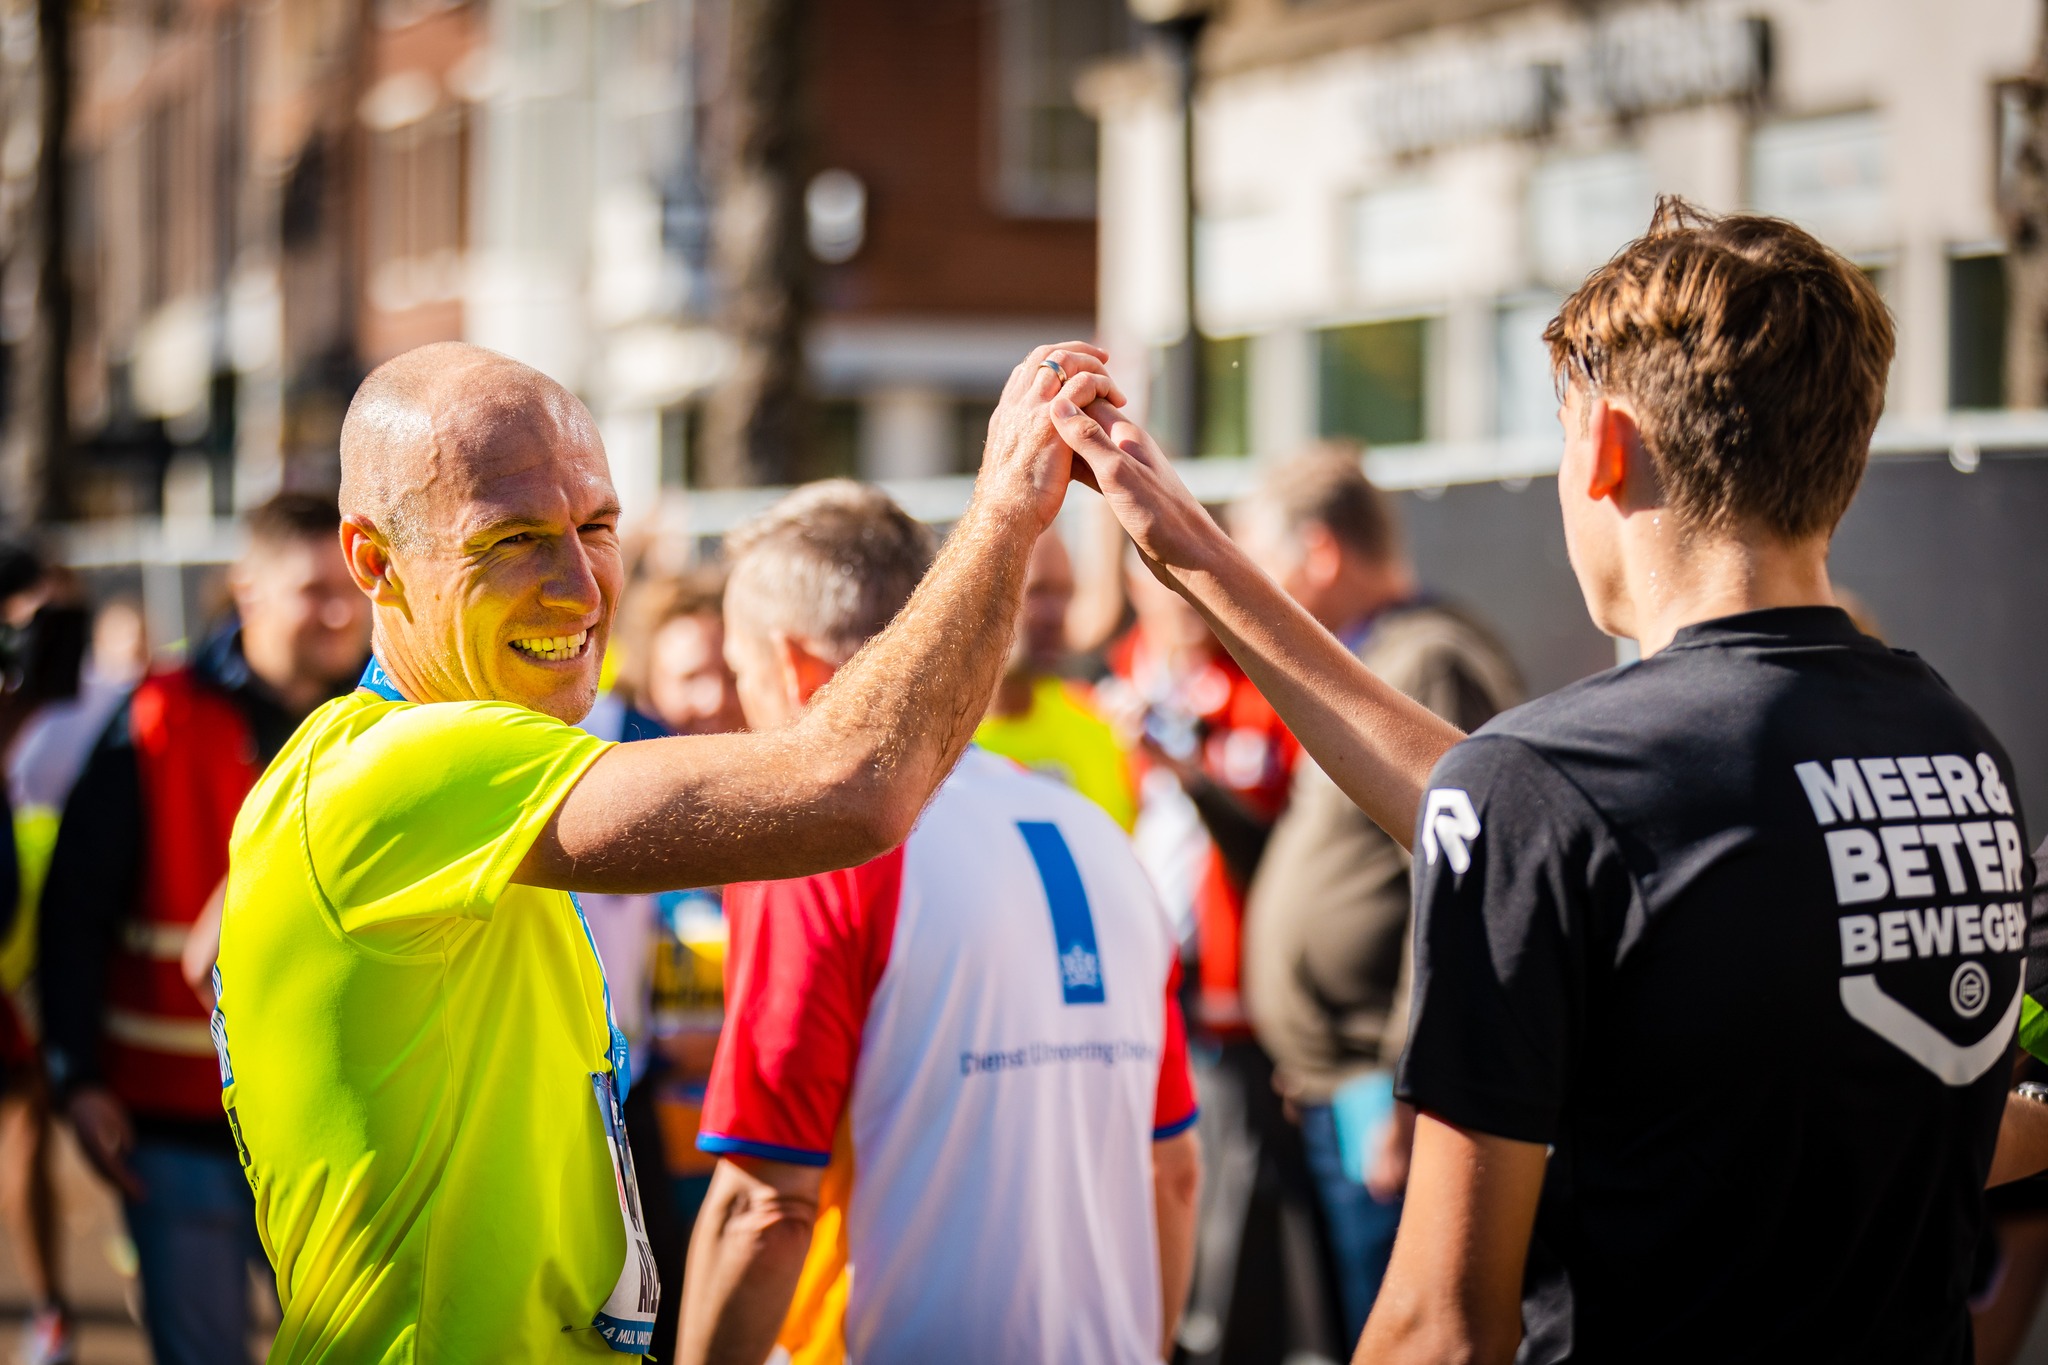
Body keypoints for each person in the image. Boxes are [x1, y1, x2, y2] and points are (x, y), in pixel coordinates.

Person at [1051, 198, 2034, 1363]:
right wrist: (1198, 557)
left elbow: (1437, 1327)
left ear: (1603, 444)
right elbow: (1574, 838)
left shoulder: (1555, 793)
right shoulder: (1952, 748)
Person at [211, 338, 1107, 1361]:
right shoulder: (406, 769)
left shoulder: (416, 775)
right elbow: (848, 786)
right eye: (510, 540)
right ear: (374, 561)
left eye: (596, 527)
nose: (580, 588)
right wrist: (1001, 516)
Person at [675, 481, 1199, 1365]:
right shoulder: (1097, 834)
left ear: (794, 668)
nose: (734, 703)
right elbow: (1174, 1173)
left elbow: (765, 1207)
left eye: (739, 672)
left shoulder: (816, 853)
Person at [38, 493, 370, 1365]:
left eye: (351, 587)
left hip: (347, 1122)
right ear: (247, 589)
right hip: (175, 1117)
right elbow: (74, 910)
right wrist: (77, 1076)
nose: (342, 609)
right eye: (313, 588)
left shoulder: (389, 724)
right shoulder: (156, 720)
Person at [1231, 450, 1521, 1342]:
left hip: (1386, 1095)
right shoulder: (1381, 654)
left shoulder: (1423, 658)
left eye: (1257, 559)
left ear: (1317, 553)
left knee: (1397, 1327)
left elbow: (1463, 882)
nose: (1252, 587)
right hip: (1343, 1082)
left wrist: (1405, 1083)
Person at [578, 565, 746, 1360]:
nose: (711, 696)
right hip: (639, 1116)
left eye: (726, 671)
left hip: (738, 1124)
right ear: (647, 676)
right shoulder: (611, 769)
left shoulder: (763, 782)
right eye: (689, 675)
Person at [975, 528, 1136, 828]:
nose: (1055, 614)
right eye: (1037, 591)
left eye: (1065, 593)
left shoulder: (1096, 732)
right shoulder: (935, 746)